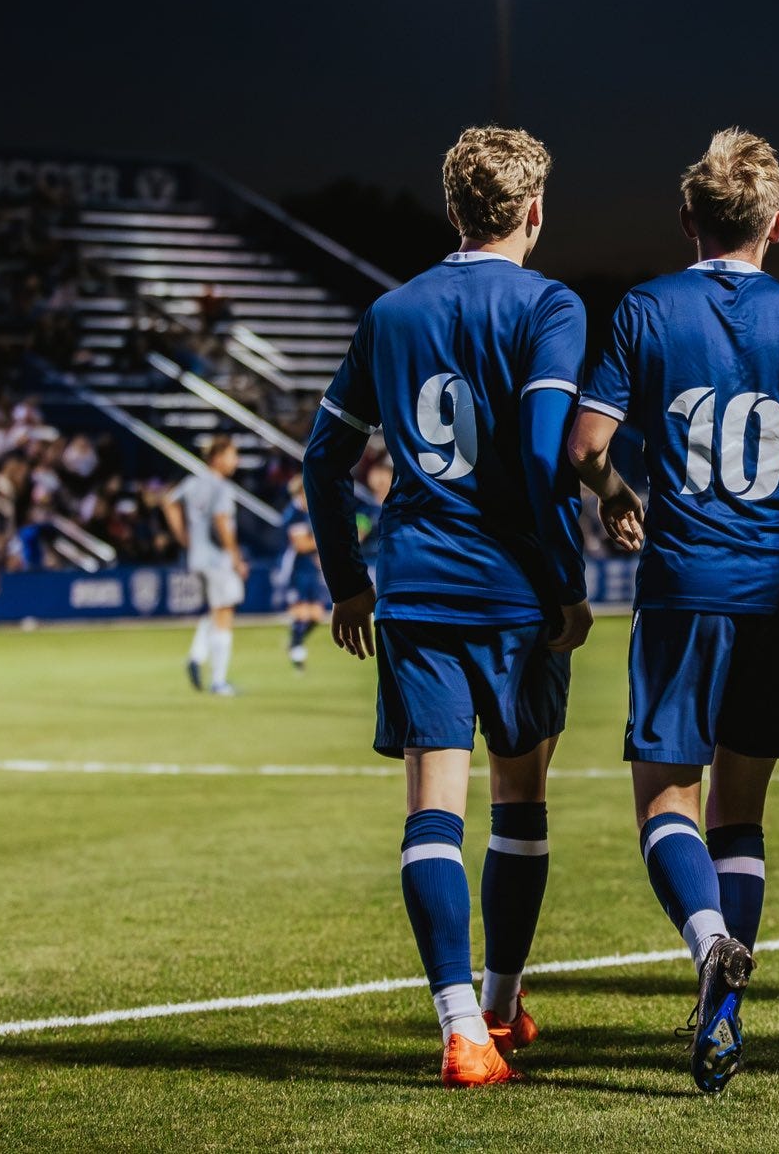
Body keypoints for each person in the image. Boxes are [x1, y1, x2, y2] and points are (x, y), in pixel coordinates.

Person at [567, 128, 779, 1096]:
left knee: (667, 795)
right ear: (775, 226)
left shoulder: (644, 309)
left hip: (682, 578)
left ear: (685, 221)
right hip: (776, 583)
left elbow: (585, 441)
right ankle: (724, 1015)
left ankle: (706, 941)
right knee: (739, 816)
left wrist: (614, 492)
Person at [302, 125, 593, 1089]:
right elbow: (551, 459)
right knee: (521, 797)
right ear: (535, 212)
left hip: (418, 587)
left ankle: (464, 1028)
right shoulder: (550, 304)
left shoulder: (391, 311)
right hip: (514, 594)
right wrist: (568, 584)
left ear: (452, 209)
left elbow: (322, 457)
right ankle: (503, 1004)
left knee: (435, 809)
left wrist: (347, 579)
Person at [162, 436, 246, 697]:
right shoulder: (221, 487)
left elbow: (168, 501)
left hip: (197, 557)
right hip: (217, 559)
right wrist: (235, 557)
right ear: (218, 457)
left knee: (215, 609)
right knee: (225, 612)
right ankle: (218, 681)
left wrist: (183, 536)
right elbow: (222, 521)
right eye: (233, 454)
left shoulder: (193, 482)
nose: (236, 460)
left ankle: (196, 657)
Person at [276, 475, 330, 672]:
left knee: (317, 614)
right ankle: (297, 656)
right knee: (300, 613)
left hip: (309, 568)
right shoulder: (294, 514)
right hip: (295, 570)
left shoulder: (307, 513)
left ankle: (294, 641)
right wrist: (325, 541)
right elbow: (300, 545)